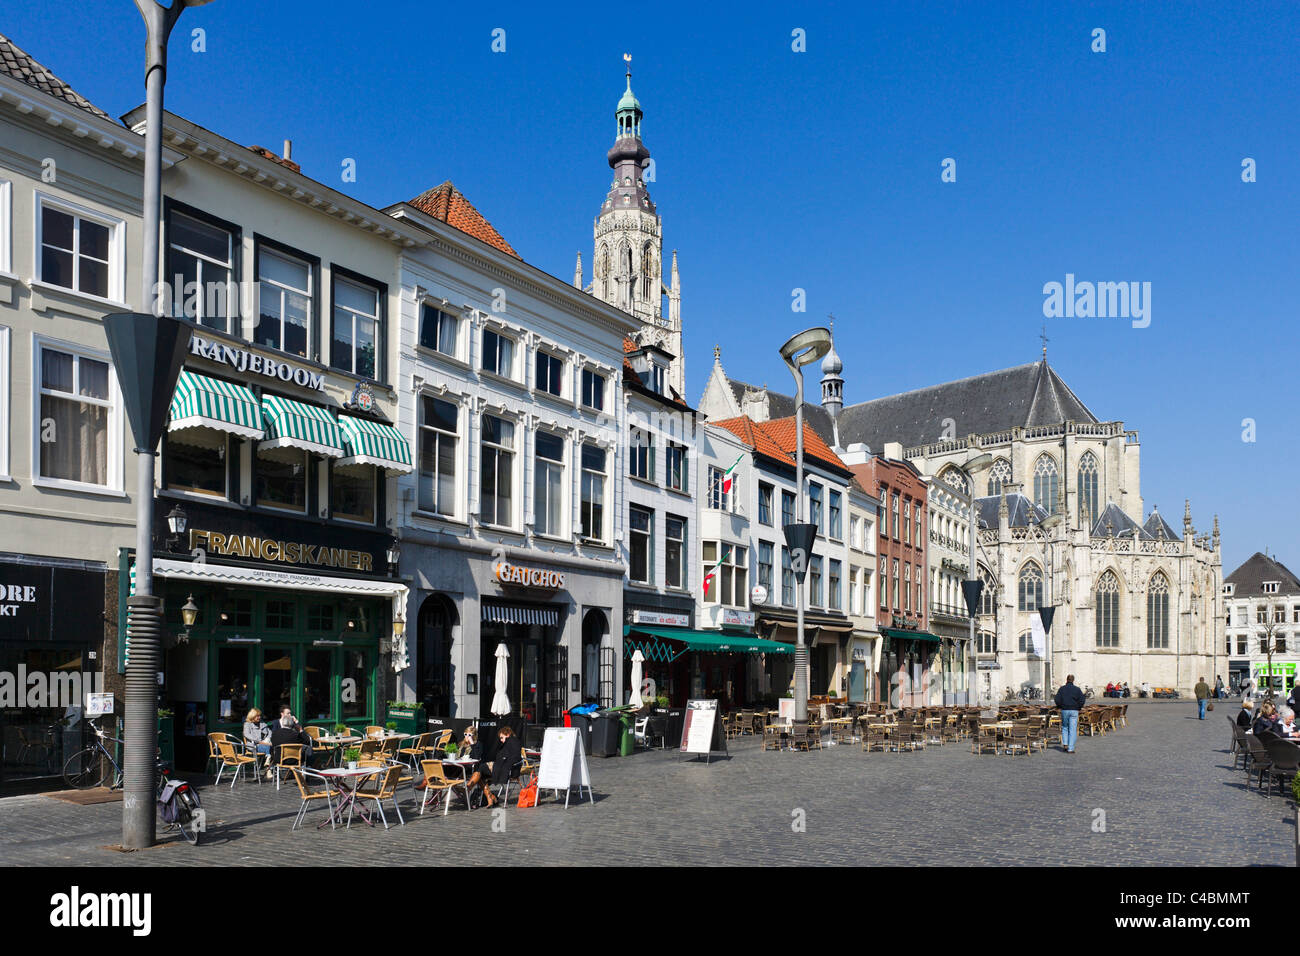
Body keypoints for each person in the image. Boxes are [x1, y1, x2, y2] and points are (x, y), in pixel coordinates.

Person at [483, 725, 524, 808]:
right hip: (503, 767)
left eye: (502, 737)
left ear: (508, 734)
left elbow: (513, 758)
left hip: (509, 770)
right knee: (480, 771)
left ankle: (489, 797)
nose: (501, 740)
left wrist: (500, 762)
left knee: (480, 770)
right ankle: (490, 797)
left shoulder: (512, 742)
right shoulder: (509, 744)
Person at [1054, 674, 1086, 754]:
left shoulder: (1062, 689)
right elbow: (1082, 700)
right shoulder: (1077, 689)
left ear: (1066, 680)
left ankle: (1065, 744)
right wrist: (1078, 707)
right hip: (1074, 710)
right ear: (1073, 680)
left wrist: (1060, 706)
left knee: (1065, 727)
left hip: (1064, 710)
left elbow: (1057, 699)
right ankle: (1070, 748)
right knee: (1072, 729)